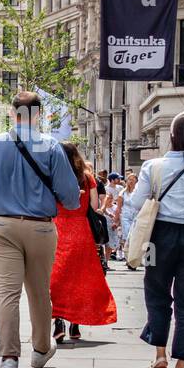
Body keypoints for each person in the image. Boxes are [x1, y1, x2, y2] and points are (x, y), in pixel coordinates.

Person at [0, 91, 82, 368]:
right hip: (40, 226)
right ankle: (40, 350)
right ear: (38, 115)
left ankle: (9, 358)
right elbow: (70, 197)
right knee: (39, 291)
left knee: (7, 292)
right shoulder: (50, 145)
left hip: (1, 226)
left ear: (13, 113)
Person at [129, 110, 184, 368]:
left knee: (157, 291)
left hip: (159, 238)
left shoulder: (154, 167)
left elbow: (136, 203)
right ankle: (182, 365)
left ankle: (160, 355)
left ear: (172, 137)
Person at [50, 143, 118, 344]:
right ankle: (75, 325)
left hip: (58, 230)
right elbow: (94, 207)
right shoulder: (88, 178)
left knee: (56, 279)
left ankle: (59, 322)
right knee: (79, 279)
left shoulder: (54, 176)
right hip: (81, 232)